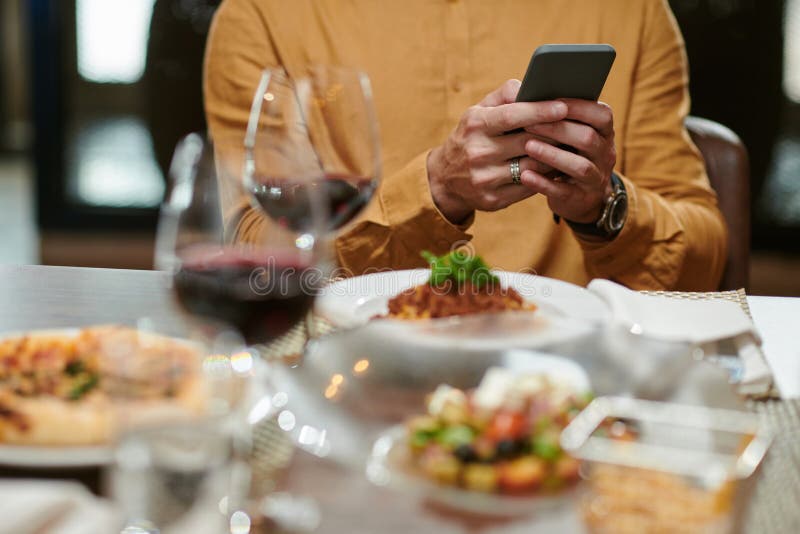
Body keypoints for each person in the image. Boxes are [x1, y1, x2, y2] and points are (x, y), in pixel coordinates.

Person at [203, 0, 727, 291]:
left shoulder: (632, 10)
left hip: (569, 381)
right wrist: (432, 190)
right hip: (346, 375)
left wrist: (603, 208)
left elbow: (705, 261)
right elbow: (250, 263)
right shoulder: (262, 12)